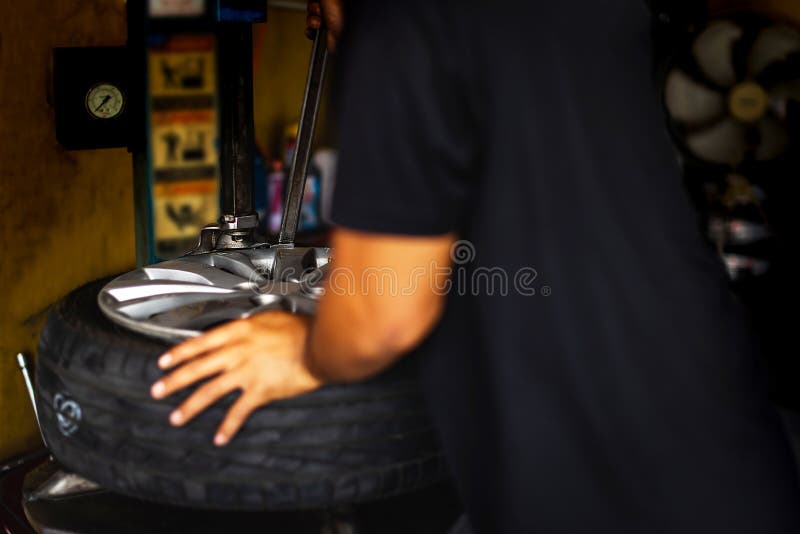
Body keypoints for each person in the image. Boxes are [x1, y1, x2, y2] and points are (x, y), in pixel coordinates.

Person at [149, 1, 800, 532]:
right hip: (726, 445)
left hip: (592, 489)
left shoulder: (402, 26)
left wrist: (306, 350)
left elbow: (381, 318)